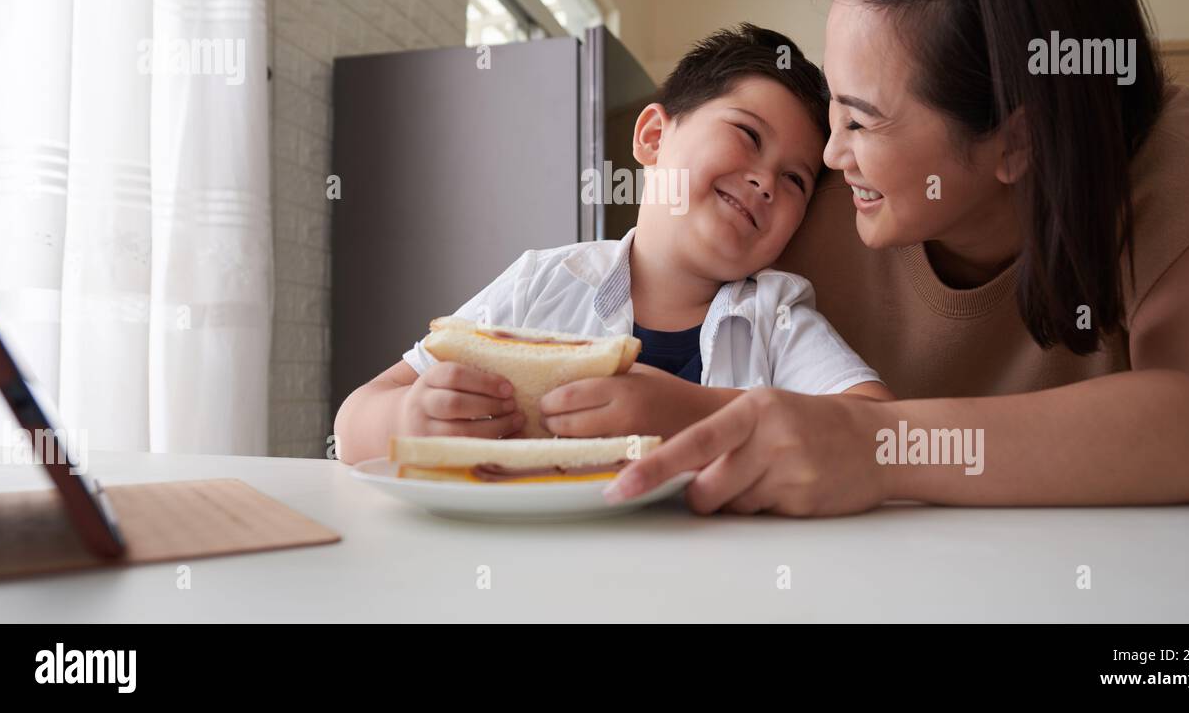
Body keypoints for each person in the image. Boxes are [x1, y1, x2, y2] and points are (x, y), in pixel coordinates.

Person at [603, 0, 1189, 515]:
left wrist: (880, 446)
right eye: (832, 107)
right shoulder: (808, 185)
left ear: (1018, 141)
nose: (830, 154)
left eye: (861, 122)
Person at [333, 24, 889, 465]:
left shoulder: (775, 313)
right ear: (652, 137)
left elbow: (876, 432)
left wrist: (693, 414)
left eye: (794, 180)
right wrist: (408, 419)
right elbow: (352, 420)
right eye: (746, 135)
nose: (766, 181)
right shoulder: (541, 284)